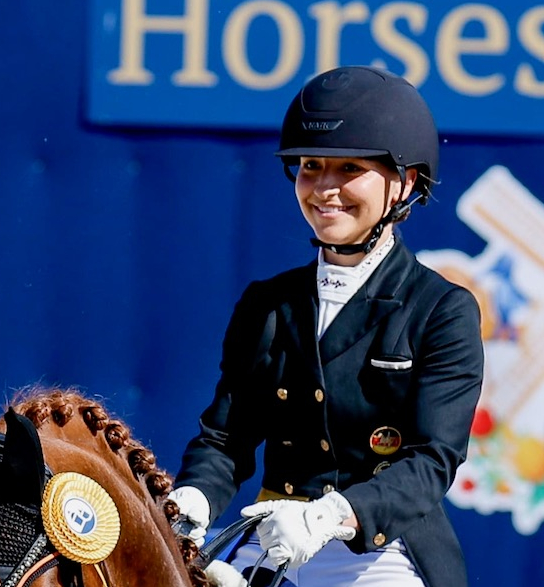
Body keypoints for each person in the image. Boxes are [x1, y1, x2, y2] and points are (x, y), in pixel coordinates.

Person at [167, 65, 485, 587]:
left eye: (349, 168)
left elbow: (432, 460)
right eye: (311, 166)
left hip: (381, 550)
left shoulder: (441, 309)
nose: (325, 188)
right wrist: (194, 498)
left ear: (404, 183)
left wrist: (327, 517)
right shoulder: (267, 303)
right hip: (270, 533)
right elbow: (226, 438)